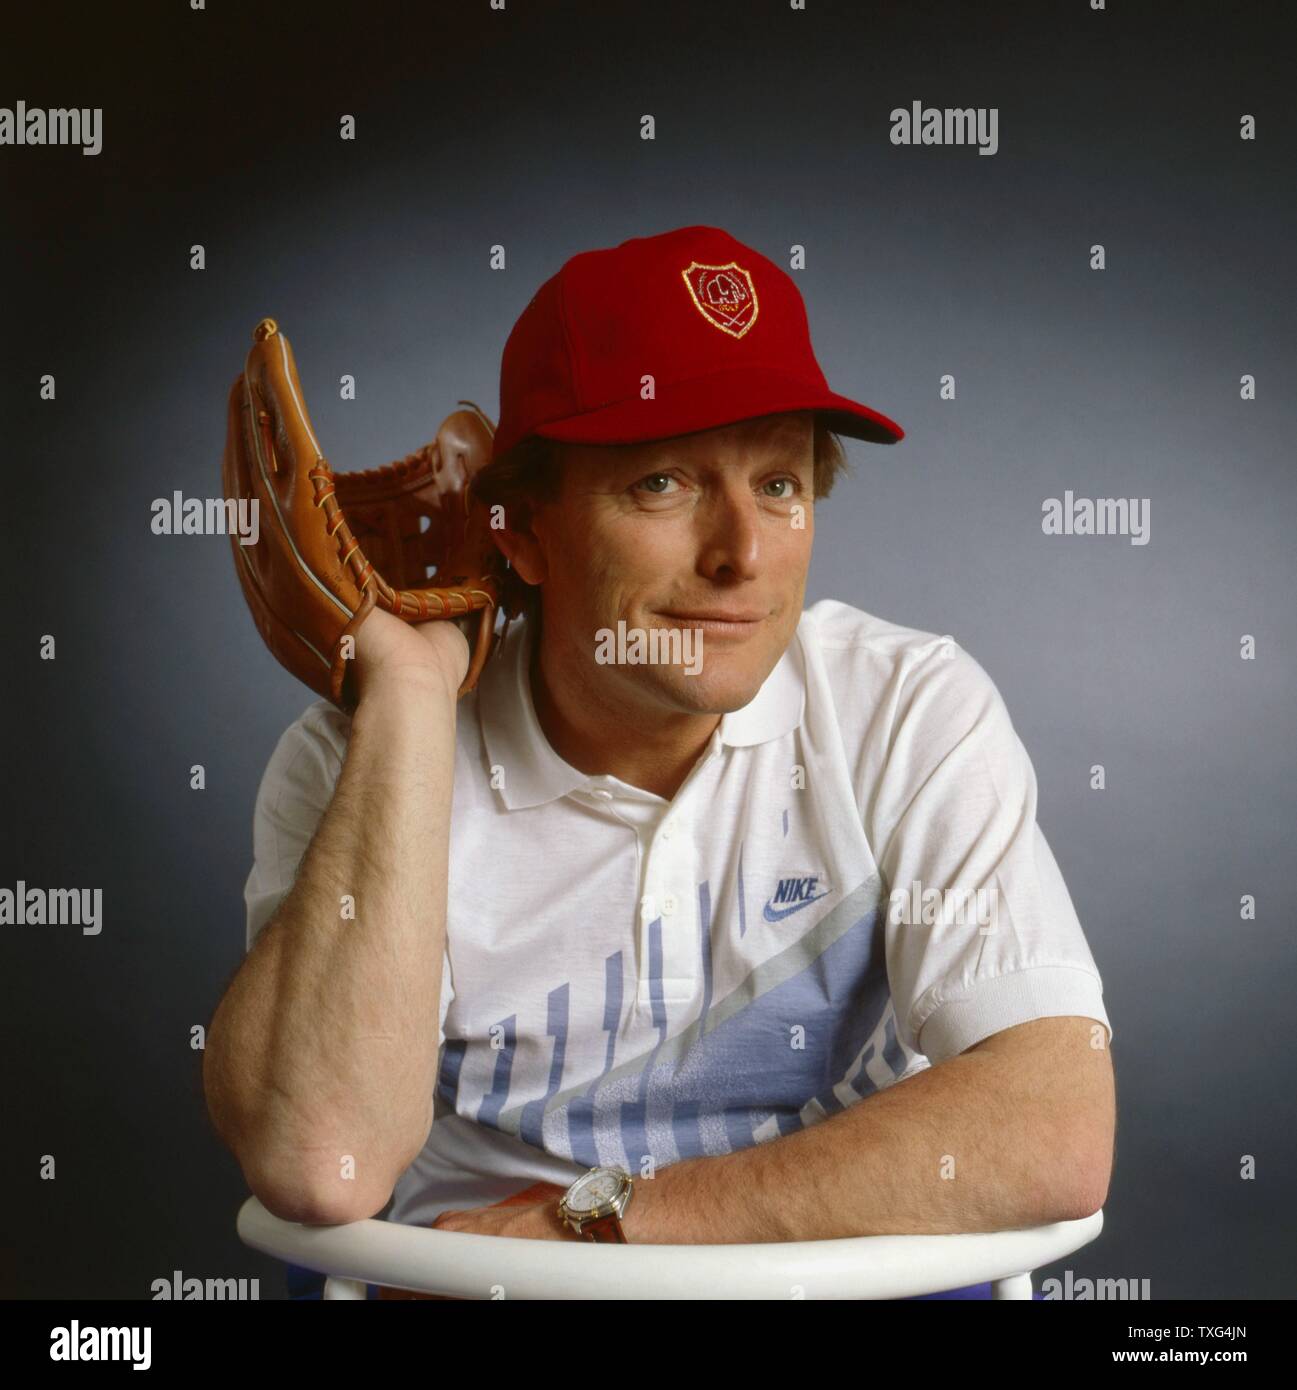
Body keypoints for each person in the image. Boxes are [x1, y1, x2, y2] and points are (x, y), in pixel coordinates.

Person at [204, 225, 1115, 1295]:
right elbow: (325, 1161)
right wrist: (406, 702)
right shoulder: (358, 762)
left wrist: (605, 1224)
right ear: (520, 529)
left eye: (778, 483)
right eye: (664, 483)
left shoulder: (907, 709)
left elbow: (1053, 1124)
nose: (742, 555)